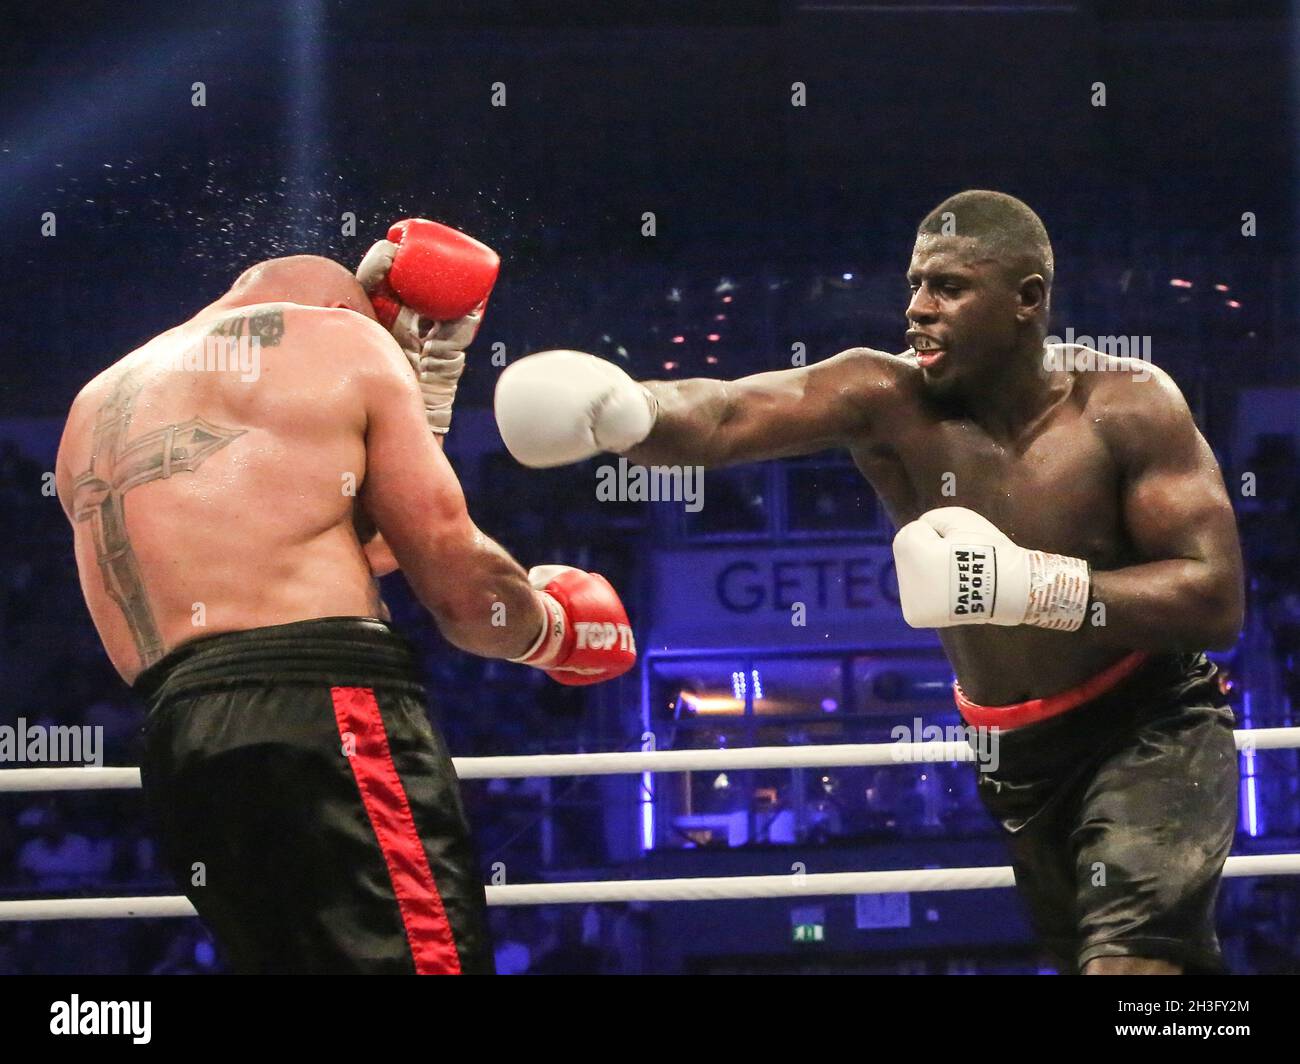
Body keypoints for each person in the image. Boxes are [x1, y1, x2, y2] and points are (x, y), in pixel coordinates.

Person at [495, 190, 1244, 975]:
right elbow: (729, 413)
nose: (918, 309)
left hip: (1150, 727)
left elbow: (1214, 598)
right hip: (1016, 754)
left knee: (1129, 963)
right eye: (915, 285)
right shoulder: (885, 397)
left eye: (949, 288)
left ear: (1027, 300)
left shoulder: (1128, 405)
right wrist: (631, 412)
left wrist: (1030, 588)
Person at [55, 219, 637, 974]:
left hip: (183, 740)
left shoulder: (95, 405)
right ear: (354, 313)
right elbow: (458, 590)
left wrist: (422, 387)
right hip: (325, 712)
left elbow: (344, 539)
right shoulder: (340, 341)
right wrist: (550, 628)